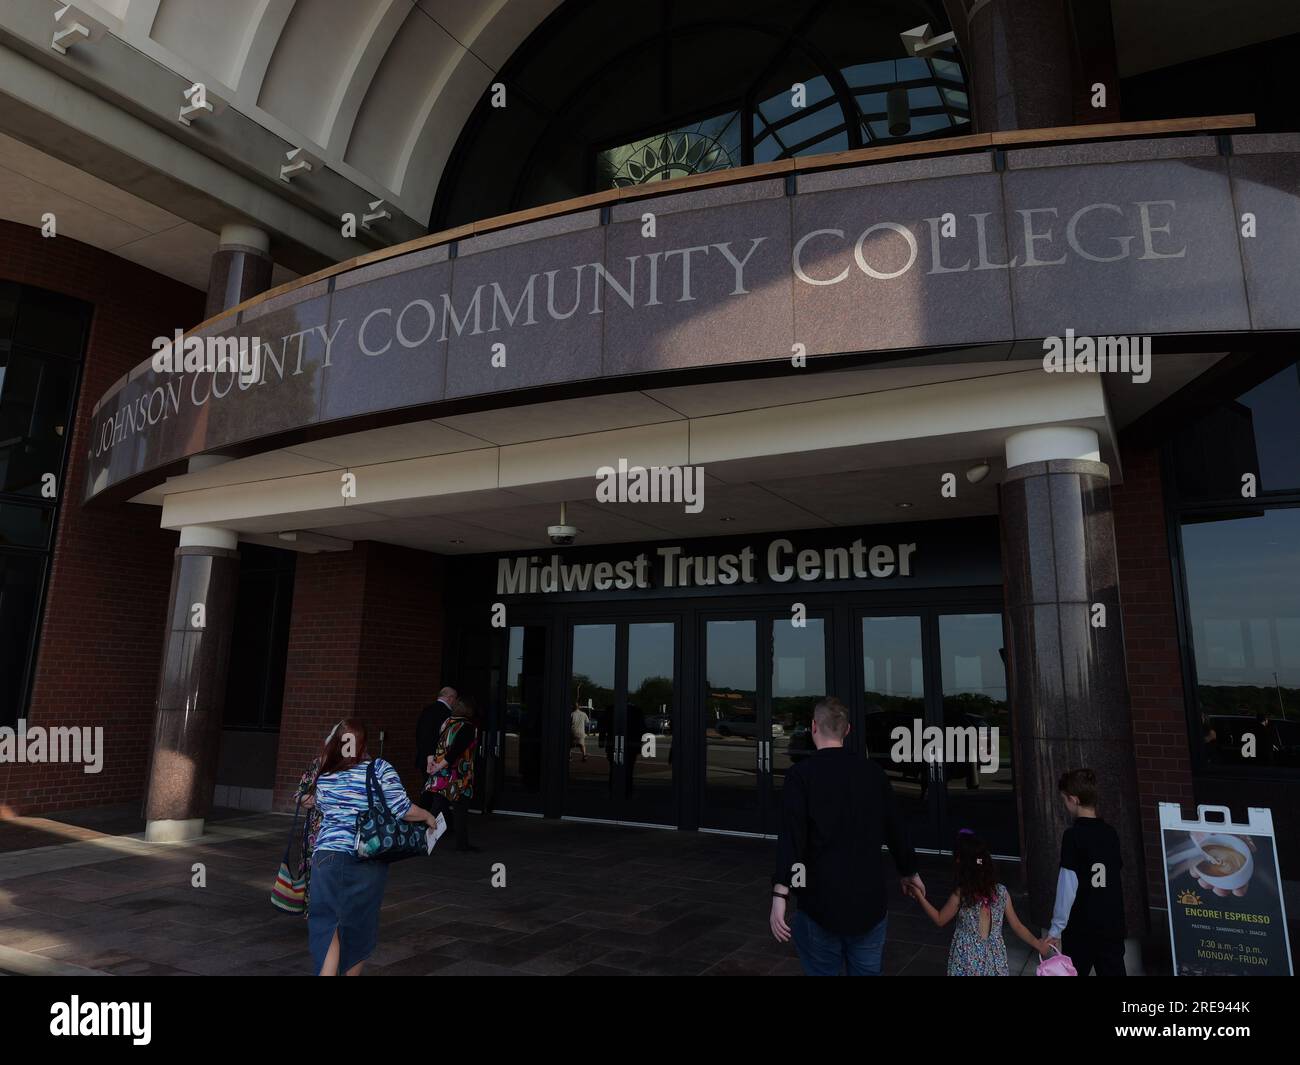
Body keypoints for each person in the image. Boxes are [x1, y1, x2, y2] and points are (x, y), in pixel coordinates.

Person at [769, 696, 924, 975]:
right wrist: (909, 870)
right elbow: (895, 827)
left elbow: (792, 839)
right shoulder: (873, 773)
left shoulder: (801, 776)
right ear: (848, 730)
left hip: (819, 904)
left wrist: (781, 893)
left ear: (813, 727)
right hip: (869, 903)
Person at [307, 717, 441, 976]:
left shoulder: (325, 774)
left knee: (326, 924)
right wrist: (426, 815)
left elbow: (323, 809)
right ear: (364, 744)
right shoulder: (378, 768)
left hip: (327, 857)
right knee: (359, 926)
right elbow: (402, 809)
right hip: (366, 857)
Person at [907, 830, 1048, 974]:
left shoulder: (962, 894)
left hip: (967, 961)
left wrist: (919, 896)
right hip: (995, 960)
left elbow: (939, 919)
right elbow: (1017, 926)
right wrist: (1038, 944)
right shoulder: (1001, 892)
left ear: (960, 863)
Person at [1045, 768, 1127, 976]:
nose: (1065, 804)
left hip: (1082, 925)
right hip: (1112, 923)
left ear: (1074, 800)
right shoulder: (1111, 834)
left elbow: (1067, 886)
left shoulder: (1073, 836)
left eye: (1064, 799)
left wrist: (1056, 929)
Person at [426, 694, 480, 852]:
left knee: (437, 808)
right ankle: (462, 845)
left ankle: (423, 841)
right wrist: (439, 766)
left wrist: (432, 762)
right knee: (460, 810)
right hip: (458, 776)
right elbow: (455, 751)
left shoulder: (447, 722)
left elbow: (435, 743)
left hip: (441, 775)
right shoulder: (467, 727)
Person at [415, 686, 458, 809]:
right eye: (455, 699)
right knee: (437, 795)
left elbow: (420, 734)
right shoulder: (447, 715)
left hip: (424, 757)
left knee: (427, 790)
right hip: (438, 760)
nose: (455, 702)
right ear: (450, 698)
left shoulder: (427, 710)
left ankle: (423, 819)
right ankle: (432, 821)